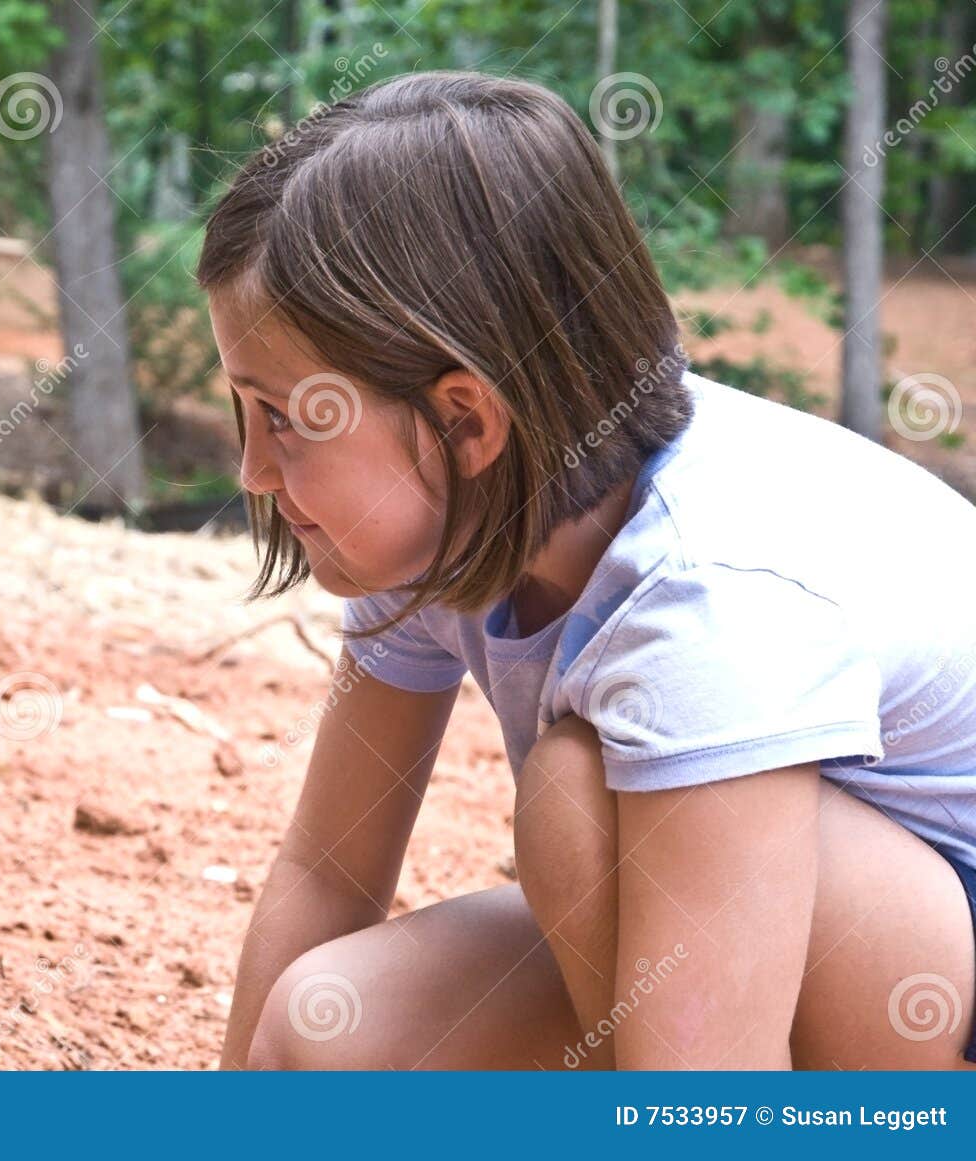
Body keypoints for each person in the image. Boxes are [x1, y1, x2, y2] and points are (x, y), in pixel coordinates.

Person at [198, 70, 976, 1070]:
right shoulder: (437, 516)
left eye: (284, 419)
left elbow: (708, 1097)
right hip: (854, 924)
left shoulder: (709, 598)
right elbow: (327, 872)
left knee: (575, 798)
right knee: (324, 1033)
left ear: (464, 418)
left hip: (935, 984)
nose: (253, 471)